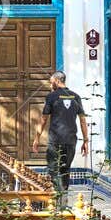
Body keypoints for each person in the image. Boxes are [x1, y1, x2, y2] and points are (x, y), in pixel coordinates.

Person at [32, 70, 89, 200]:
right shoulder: (76, 96)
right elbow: (82, 120)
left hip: (55, 141)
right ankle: (63, 201)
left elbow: (43, 119)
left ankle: (53, 202)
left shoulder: (51, 97)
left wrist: (37, 138)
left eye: (51, 82)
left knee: (52, 170)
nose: (50, 85)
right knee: (65, 170)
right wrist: (86, 141)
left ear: (57, 81)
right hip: (70, 141)